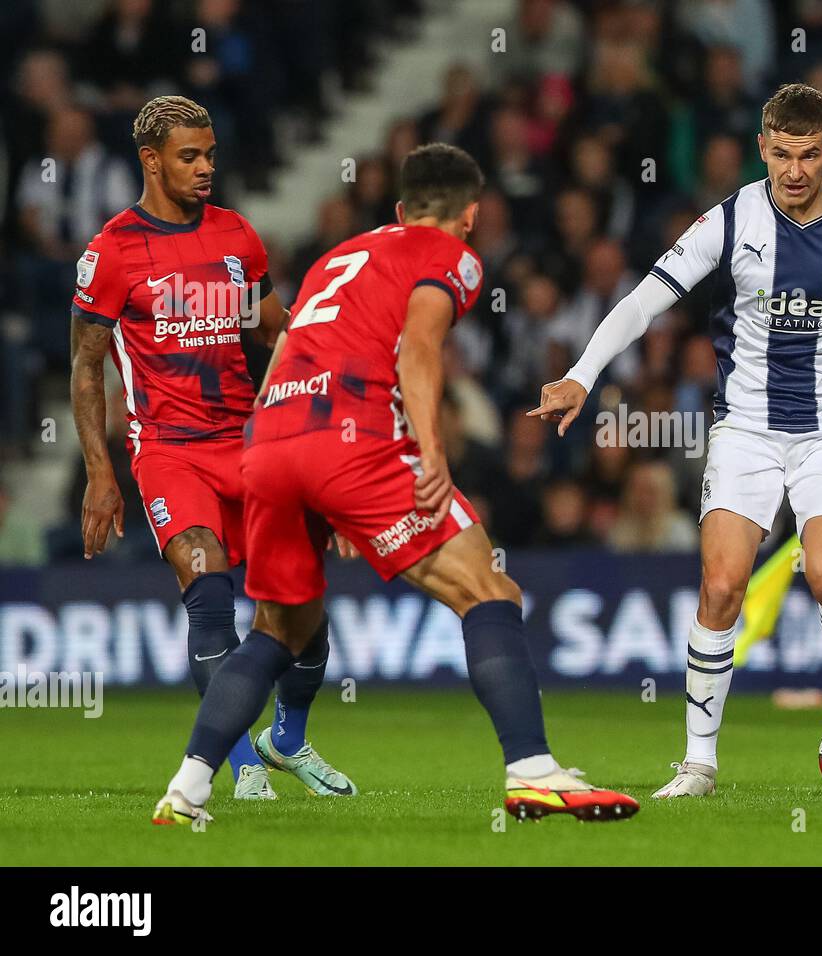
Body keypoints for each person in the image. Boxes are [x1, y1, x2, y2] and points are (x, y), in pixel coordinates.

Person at [152, 143, 638, 827]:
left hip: (269, 442)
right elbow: (418, 346)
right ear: (470, 215)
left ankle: (186, 790)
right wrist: (430, 453)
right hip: (354, 438)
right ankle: (532, 772)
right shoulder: (450, 255)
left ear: (400, 208)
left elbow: (286, 346)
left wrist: (307, 483)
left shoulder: (333, 260)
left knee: (277, 631)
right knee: (490, 591)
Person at [530, 84, 822, 798]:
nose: (794, 171)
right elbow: (644, 299)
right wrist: (581, 374)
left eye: (808, 155)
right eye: (781, 154)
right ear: (762, 148)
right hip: (746, 426)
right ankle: (698, 765)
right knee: (721, 584)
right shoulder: (728, 221)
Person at [70, 96, 351, 801]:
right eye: (190, 157)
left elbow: (270, 328)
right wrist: (100, 474)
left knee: (302, 609)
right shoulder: (110, 253)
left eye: (211, 155)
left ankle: (285, 739)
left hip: (248, 446)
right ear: (151, 160)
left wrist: (321, 361)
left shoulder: (237, 237)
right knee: (209, 598)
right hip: (169, 452)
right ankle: (237, 765)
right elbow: (85, 366)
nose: (205, 169)